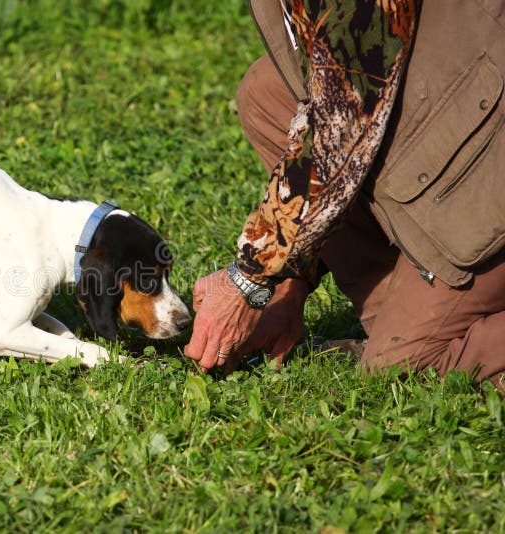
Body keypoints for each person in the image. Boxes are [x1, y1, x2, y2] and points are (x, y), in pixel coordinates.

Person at [183, 0, 505, 393]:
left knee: (399, 374)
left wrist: (248, 280)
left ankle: (421, 336)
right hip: (437, 120)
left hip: (487, 163)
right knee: (266, 92)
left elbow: (338, 130)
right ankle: (398, 310)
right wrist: (290, 282)